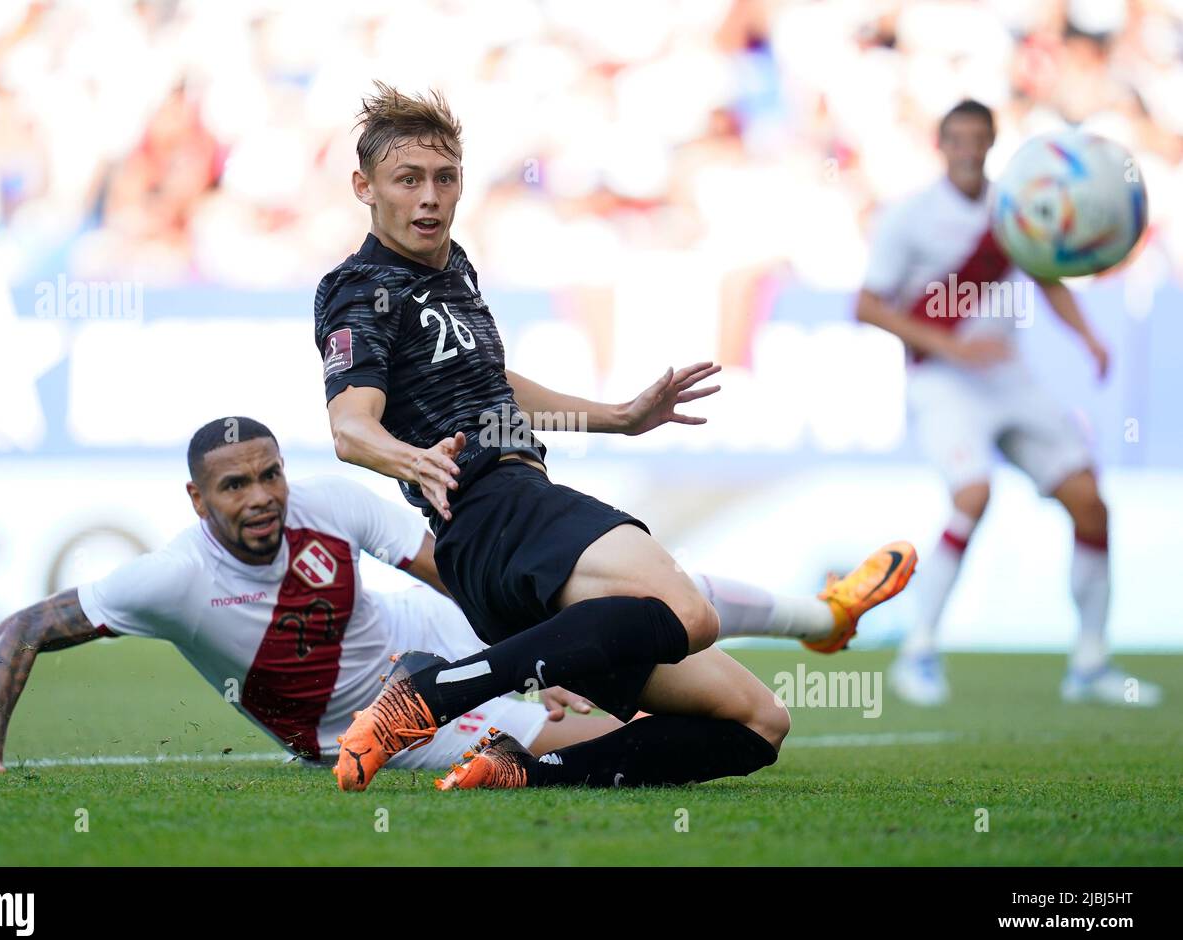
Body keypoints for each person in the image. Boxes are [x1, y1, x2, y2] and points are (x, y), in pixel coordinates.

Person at [315, 82, 916, 791]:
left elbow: (496, 388)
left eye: (445, 179)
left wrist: (618, 417)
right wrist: (410, 459)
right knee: (685, 610)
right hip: (493, 511)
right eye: (407, 180)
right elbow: (351, 428)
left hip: (511, 545)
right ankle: (433, 693)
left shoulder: (453, 266)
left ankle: (522, 773)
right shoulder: (359, 288)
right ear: (365, 186)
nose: (430, 198)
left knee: (757, 722)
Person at [0, 417, 912, 775]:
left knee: (760, 714)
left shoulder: (329, 503)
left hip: (479, 653)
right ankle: (517, 758)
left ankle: (818, 618)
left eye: (268, 473)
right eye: (235, 485)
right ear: (196, 500)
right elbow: (26, 623)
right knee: (679, 734)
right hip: (406, 729)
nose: (262, 496)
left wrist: (552, 654)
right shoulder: (169, 577)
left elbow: (451, 574)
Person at [856, 99, 1160, 708]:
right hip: (943, 381)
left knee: (1092, 505)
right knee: (974, 494)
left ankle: (1091, 663)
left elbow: (1045, 274)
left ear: (992, 144)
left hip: (1010, 378)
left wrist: (1088, 337)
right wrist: (947, 342)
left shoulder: (1013, 207)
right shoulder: (909, 216)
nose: (968, 148)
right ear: (941, 145)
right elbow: (868, 305)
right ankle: (917, 650)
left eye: (979, 138)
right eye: (958, 138)